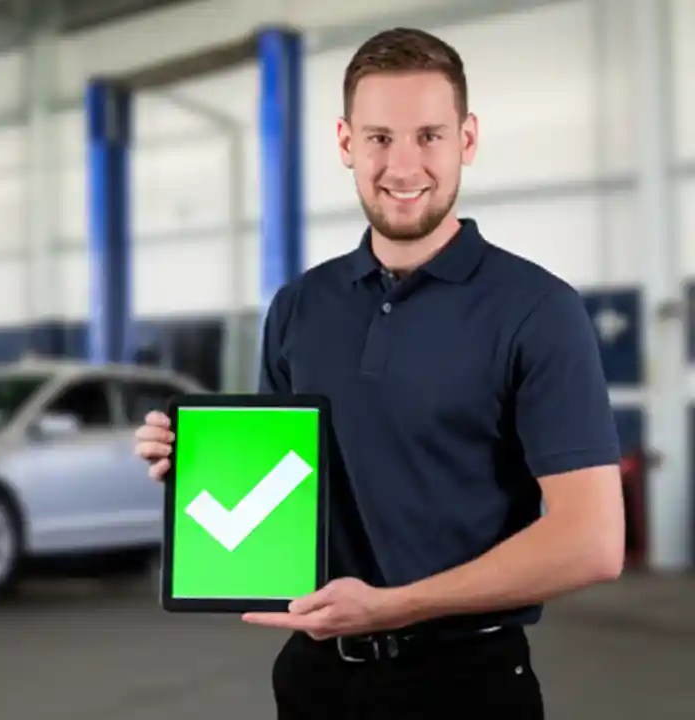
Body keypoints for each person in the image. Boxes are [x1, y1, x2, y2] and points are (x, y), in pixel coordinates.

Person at [134, 27, 624, 719]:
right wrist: (196, 461)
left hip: (467, 688)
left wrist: (394, 606)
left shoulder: (537, 310)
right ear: (344, 144)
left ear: (468, 140)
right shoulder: (301, 305)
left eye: (429, 135)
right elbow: (285, 486)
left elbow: (592, 542)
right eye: (379, 138)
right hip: (315, 681)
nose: (402, 165)